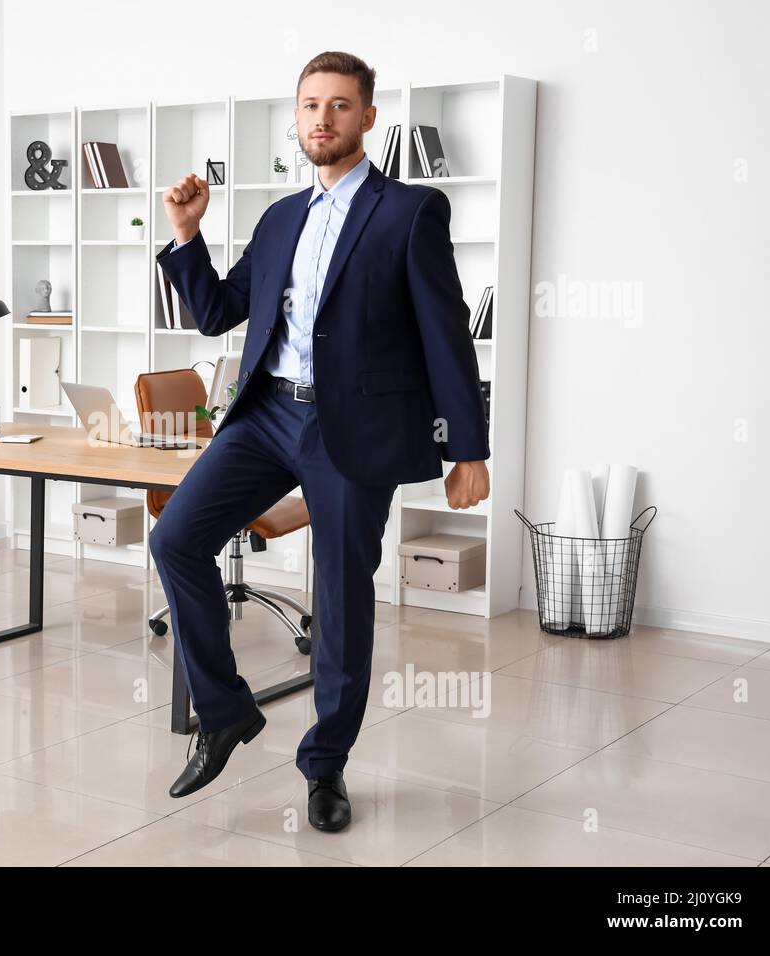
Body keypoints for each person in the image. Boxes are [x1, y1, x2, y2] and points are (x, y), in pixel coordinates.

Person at [151, 50, 490, 832]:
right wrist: (185, 234)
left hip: (355, 428)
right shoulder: (280, 218)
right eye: (310, 106)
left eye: (339, 106)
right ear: (296, 117)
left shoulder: (410, 211)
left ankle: (325, 764)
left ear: (368, 118)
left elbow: (446, 337)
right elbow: (217, 314)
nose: (322, 119)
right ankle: (226, 710)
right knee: (175, 538)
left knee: (339, 596)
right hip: (267, 413)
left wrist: (466, 449)